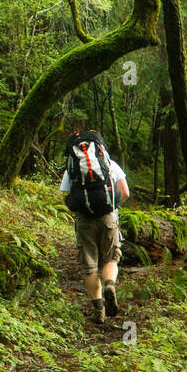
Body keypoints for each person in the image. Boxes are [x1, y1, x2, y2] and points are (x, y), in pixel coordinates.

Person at [60, 133, 130, 324]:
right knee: (111, 258)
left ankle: (99, 310)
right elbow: (125, 192)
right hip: (108, 217)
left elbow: (67, 198)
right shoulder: (110, 164)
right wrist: (112, 206)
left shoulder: (71, 168)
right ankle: (109, 285)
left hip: (84, 220)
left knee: (90, 267)